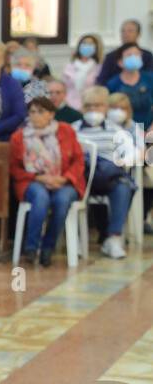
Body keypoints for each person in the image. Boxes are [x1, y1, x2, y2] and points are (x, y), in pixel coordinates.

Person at [9, 95, 85, 267]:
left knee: (62, 200)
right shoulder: (19, 137)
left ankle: (48, 247)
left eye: (41, 112)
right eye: (32, 112)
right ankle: (31, 248)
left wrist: (64, 178)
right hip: (33, 180)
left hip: (63, 181)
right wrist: (38, 177)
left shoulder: (66, 130)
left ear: (51, 114)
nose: (35, 115)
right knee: (41, 198)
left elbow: (78, 161)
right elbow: (14, 168)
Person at [72, 85, 136, 259]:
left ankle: (113, 238)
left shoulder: (117, 130)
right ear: (82, 108)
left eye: (98, 105)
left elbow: (130, 156)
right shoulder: (73, 129)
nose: (93, 110)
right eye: (88, 106)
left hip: (108, 179)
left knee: (124, 187)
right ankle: (75, 240)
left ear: (106, 107)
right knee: (69, 190)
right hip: (82, 179)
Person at [105, 42, 153, 128]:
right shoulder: (113, 83)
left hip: (148, 129)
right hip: (122, 129)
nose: (134, 57)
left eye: (137, 54)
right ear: (120, 62)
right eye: (129, 55)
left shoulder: (150, 79)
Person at [98, 19, 153, 86]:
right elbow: (102, 80)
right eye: (123, 31)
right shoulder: (111, 56)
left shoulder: (147, 56)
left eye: (130, 31)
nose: (126, 34)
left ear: (138, 34)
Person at [62, 34, 102, 110]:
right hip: (69, 105)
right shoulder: (69, 66)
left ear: (96, 47)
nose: (87, 46)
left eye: (90, 44)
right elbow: (64, 87)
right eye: (84, 43)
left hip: (90, 105)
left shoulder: (98, 68)